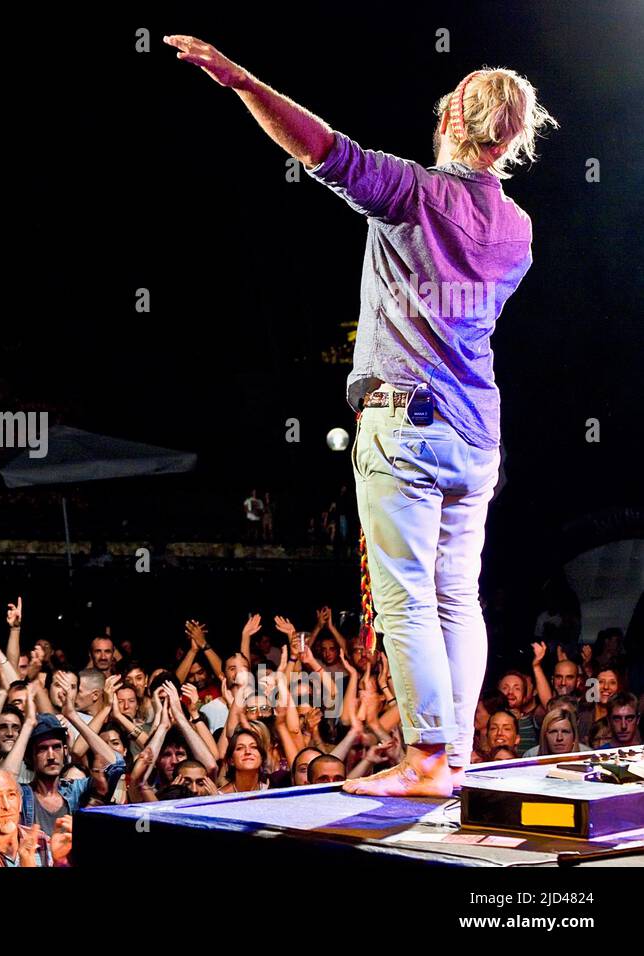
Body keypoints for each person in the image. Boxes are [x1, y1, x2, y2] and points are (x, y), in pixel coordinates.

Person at [162, 33, 556, 797]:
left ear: (449, 117)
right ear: (515, 137)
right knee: (457, 597)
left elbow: (321, 147)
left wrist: (245, 81)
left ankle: (429, 760)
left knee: (407, 596)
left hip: (406, 421)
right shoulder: (519, 229)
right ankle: (458, 756)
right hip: (477, 433)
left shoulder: (410, 190)